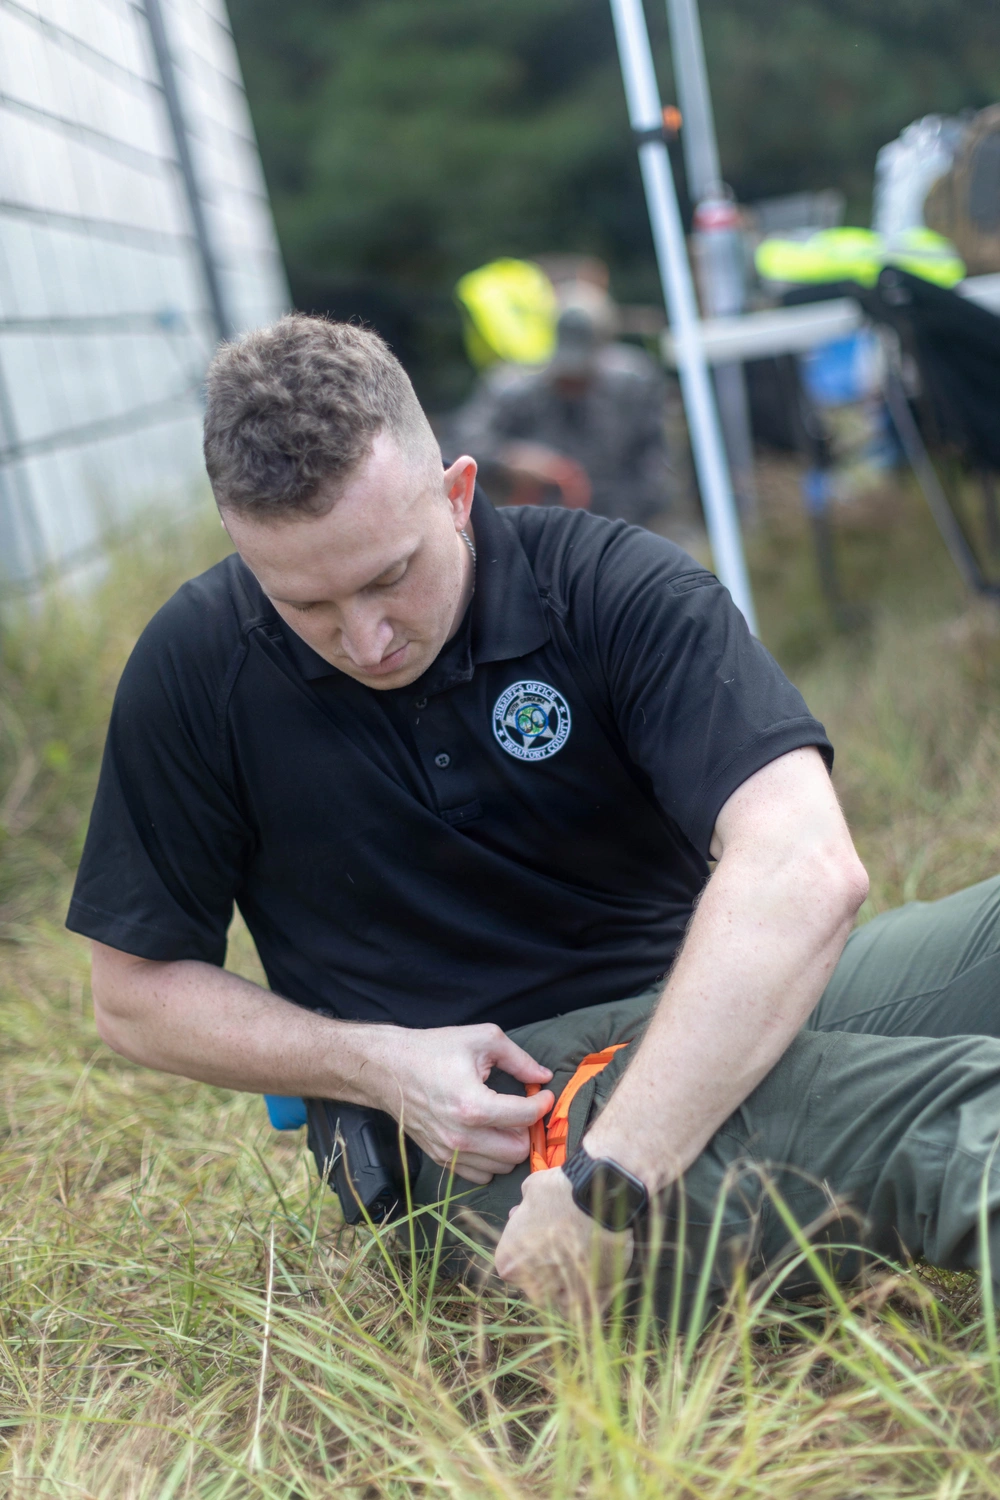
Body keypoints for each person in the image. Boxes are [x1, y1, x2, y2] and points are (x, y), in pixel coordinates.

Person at [70, 314, 1000, 1319]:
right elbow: (133, 994)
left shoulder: (612, 587)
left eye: (390, 577)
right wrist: (375, 1063)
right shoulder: (195, 668)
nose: (367, 638)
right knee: (954, 1120)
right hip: (488, 1132)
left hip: (684, 1028)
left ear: (458, 493)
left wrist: (617, 1174)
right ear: (249, 560)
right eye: (308, 604)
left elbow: (803, 865)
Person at [448, 283, 672, 527]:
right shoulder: (513, 389)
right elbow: (459, 447)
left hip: (617, 521)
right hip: (533, 524)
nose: (572, 381)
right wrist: (509, 458)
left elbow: (654, 462)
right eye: (566, 372)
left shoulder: (633, 387)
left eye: (583, 375)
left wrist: (625, 526)